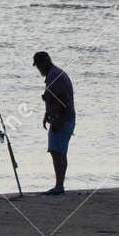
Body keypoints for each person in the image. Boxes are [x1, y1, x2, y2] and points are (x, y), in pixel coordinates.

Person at [32, 51, 74, 196]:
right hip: (66, 118)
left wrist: (55, 119)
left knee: (57, 152)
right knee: (59, 152)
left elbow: (63, 99)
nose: (38, 70)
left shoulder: (53, 77)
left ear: (43, 64)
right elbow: (53, 99)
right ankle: (59, 185)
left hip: (62, 120)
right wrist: (47, 114)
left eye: (38, 66)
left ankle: (59, 186)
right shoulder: (56, 74)